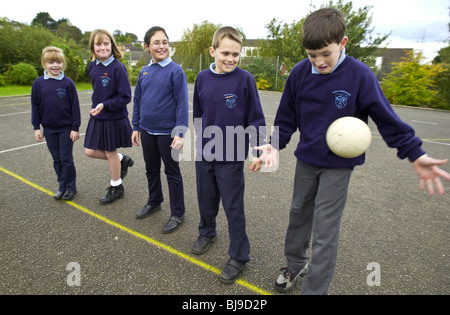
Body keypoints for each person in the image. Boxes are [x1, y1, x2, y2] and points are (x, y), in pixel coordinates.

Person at [256, 8, 450, 295]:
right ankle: (295, 263)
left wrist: (415, 154)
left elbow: (387, 120)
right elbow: (286, 119)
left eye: (326, 53)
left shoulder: (360, 75)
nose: (319, 62)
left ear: (342, 43)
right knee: (298, 213)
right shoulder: (299, 73)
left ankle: (314, 290)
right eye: (312, 55)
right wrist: (274, 144)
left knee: (324, 229)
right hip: (307, 161)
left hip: (338, 166)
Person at [192, 26, 266, 284]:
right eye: (225, 53)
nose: (230, 59)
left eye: (236, 54)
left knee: (233, 208)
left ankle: (239, 256)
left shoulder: (245, 80)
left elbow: (255, 118)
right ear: (213, 51)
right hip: (205, 154)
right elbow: (198, 113)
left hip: (231, 156)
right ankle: (207, 232)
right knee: (206, 198)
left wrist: (258, 149)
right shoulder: (202, 78)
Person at [132, 26, 189, 234]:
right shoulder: (144, 71)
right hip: (147, 131)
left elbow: (182, 104)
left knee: (172, 172)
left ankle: (177, 213)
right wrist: (136, 126)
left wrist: (181, 134)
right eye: (156, 43)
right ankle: (154, 201)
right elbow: (138, 100)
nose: (161, 46)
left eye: (164, 42)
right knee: (151, 169)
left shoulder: (176, 71)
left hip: (168, 133)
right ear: (147, 47)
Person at [85, 29, 134, 204]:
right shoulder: (93, 66)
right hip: (98, 116)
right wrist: (97, 107)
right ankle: (122, 159)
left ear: (112, 46)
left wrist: (104, 105)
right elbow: (98, 91)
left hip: (113, 117)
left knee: (109, 152)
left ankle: (116, 186)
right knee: (89, 151)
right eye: (98, 44)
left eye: (106, 43)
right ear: (93, 47)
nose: (103, 47)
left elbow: (125, 97)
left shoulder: (118, 68)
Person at [31, 46, 81, 201]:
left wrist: (75, 128)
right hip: (49, 129)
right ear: (45, 63)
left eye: (58, 62)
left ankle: (71, 187)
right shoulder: (38, 83)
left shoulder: (68, 83)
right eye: (51, 62)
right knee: (57, 159)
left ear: (63, 63)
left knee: (66, 159)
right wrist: (36, 127)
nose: (55, 65)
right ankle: (62, 186)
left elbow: (75, 107)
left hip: (66, 129)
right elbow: (35, 106)